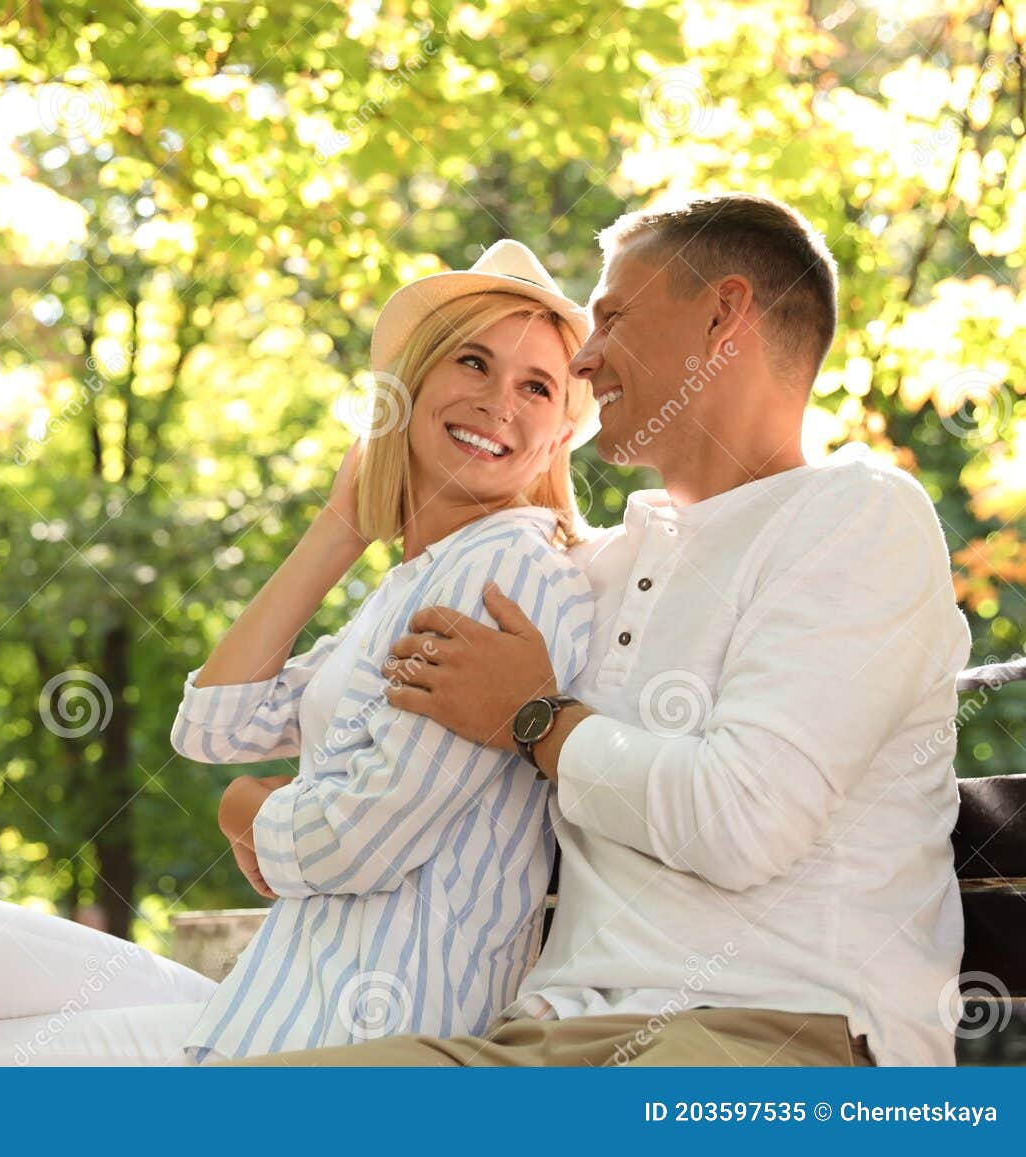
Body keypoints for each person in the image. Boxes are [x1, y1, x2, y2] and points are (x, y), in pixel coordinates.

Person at [230, 192, 973, 1069]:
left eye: (612, 316)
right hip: (540, 1041)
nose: (586, 357)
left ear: (724, 313)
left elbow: (741, 821)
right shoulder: (582, 573)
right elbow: (310, 713)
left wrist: (536, 718)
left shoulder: (856, 515)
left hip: (772, 1038)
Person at [0, 240, 598, 1065]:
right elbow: (212, 725)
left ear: (556, 439)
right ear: (404, 393)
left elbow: (357, 840)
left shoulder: (508, 564)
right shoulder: (415, 581)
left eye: (536, 387)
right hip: (281, 998)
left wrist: (243, 809)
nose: (497, 403)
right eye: (472, 363)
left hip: (354, 1036)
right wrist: (338, 527)